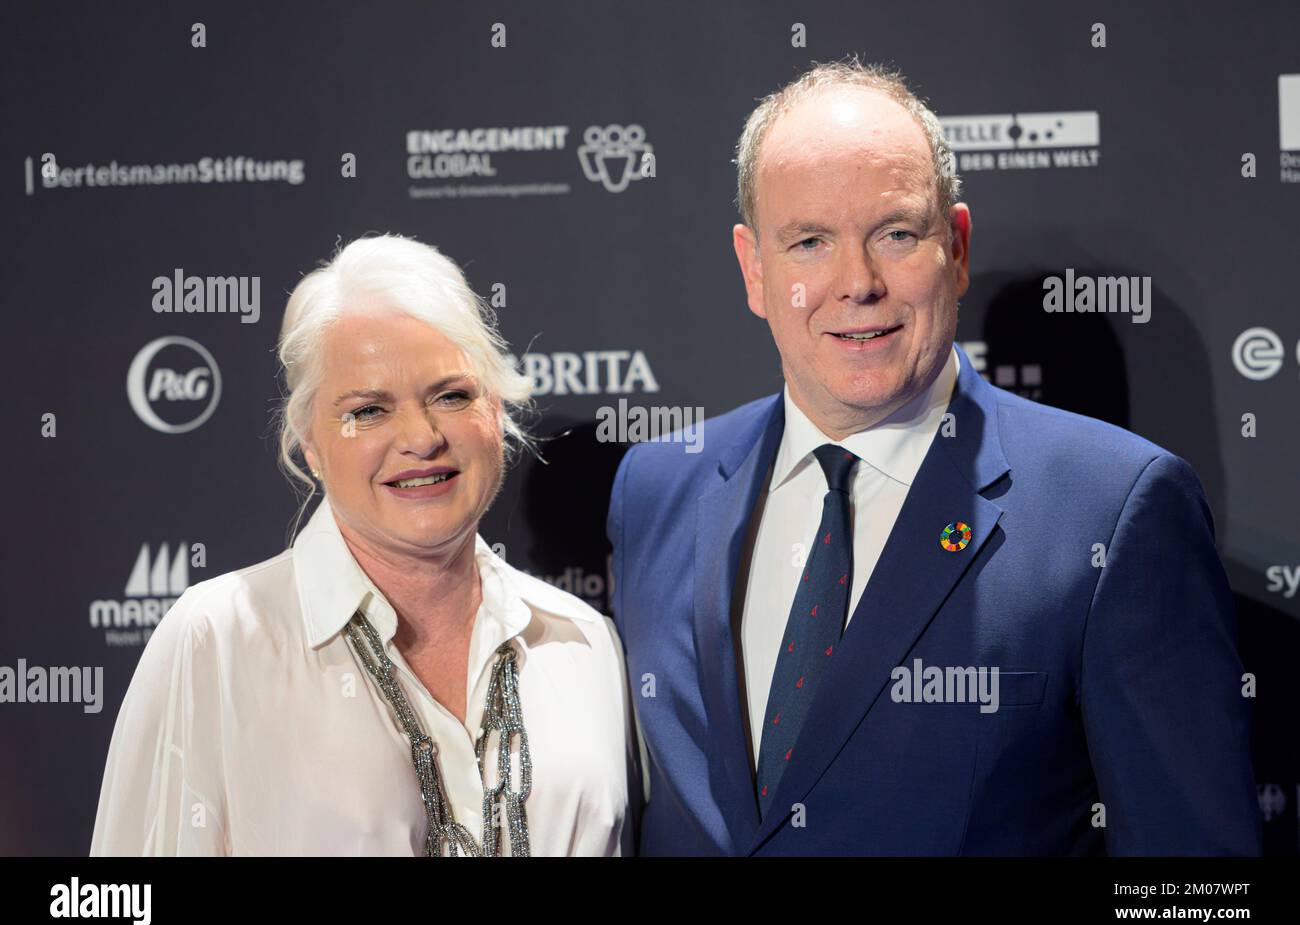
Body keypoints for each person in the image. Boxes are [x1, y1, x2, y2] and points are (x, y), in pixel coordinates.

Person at [606, 58, 1261, 855]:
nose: (858, 282)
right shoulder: (656, 488)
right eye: (809, 241)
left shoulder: (1113, 507)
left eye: (895, 234)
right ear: (754, 269)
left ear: (955, 246)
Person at [92, 234, 639, 856]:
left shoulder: (580, 640)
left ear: (497, 408)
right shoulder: (218, 639)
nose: (420, 438)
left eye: (451, 395)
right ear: (310, 444)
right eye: (369, 410)